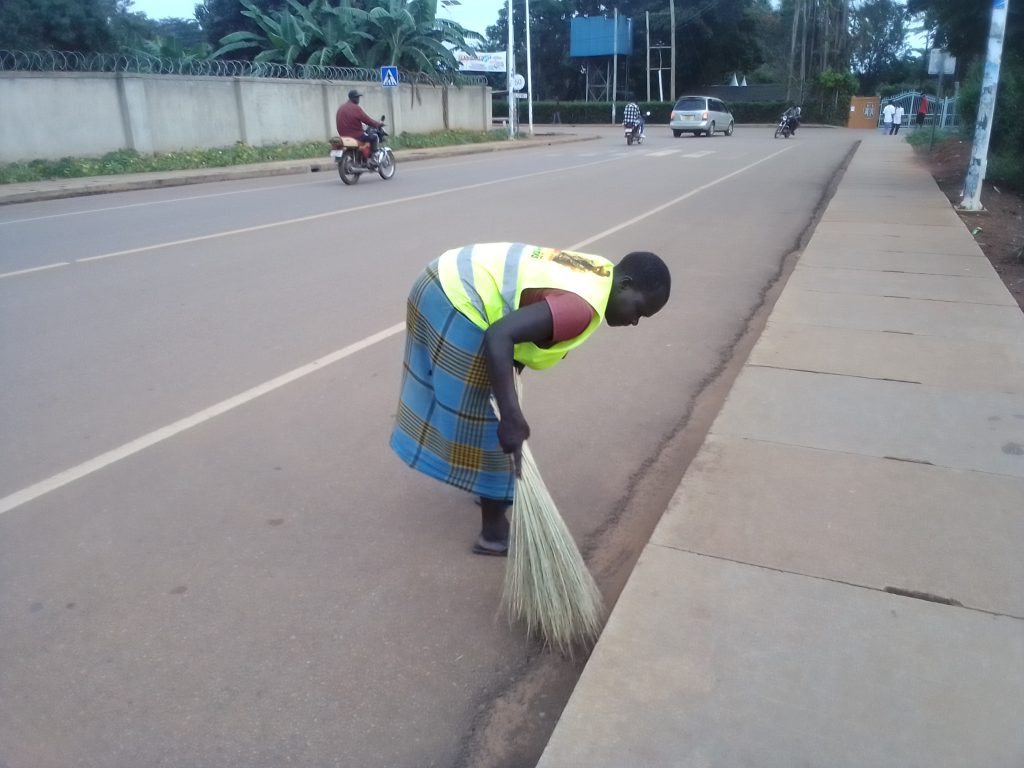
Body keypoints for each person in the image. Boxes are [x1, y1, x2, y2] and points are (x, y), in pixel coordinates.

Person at [390, 243, 671, 556]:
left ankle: (488, 489)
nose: (634, 322)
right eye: (638, 310)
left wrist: (509, 389)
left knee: (497, 404)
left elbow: (520, 325)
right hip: (452, 294)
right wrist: (510, 416)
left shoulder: (601, 273)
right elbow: (499, 335)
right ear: (626, 284)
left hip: (445, 274)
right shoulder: (581, 307)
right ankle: (494, 534)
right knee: (493, 421)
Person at [336, 89, 384, 164]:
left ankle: (362, 157)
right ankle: (373, 158)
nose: (358, 99)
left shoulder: (341, 108)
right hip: (356, 135)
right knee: (374, 137)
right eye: (357, 97)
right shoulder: (355, 108)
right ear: (353, 98)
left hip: (343, 136)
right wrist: (377, 124)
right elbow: (367, 120)